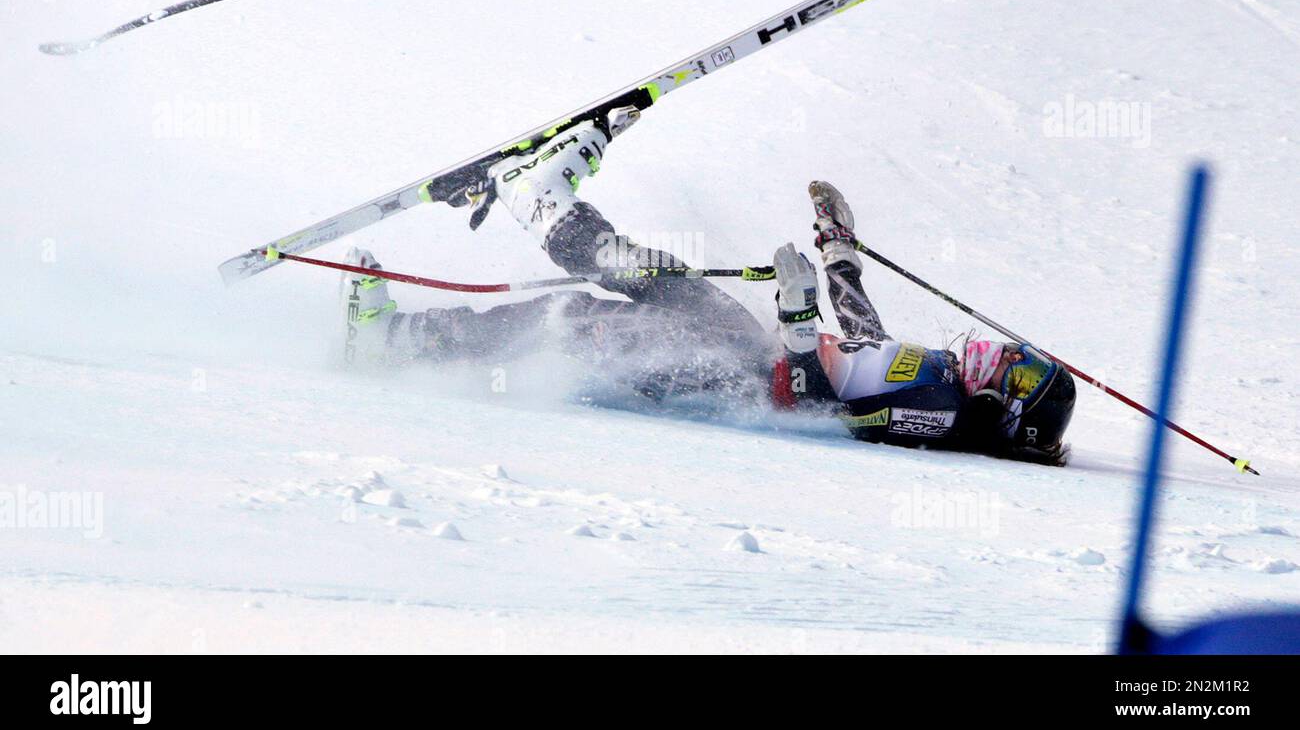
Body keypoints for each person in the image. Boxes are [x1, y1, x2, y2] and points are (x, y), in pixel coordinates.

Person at [339, 110, 1075, 464]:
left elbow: (814, 409)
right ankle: (546, 199)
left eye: (1014, 368)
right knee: (654, 273)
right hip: (750, 348)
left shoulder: (942, 415)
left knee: (571, 320)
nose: (995, 350)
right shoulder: (942, 379)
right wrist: (839, 252)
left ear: (1008, 409)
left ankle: (391, 343)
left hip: (732, 378)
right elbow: (865, 342)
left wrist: (794, 319)